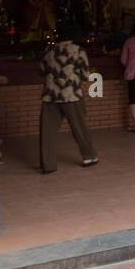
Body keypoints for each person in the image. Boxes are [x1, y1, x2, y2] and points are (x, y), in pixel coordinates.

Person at [38, 21, 98, 173]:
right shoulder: (78, 51)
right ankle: (88, 156)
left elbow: (41, 71)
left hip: (50, 96)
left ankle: (48, 165)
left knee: (47, 132)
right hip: (72, 95)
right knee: (79, 128)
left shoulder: (48, 51)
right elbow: (85, 75)